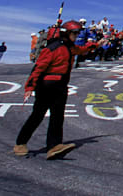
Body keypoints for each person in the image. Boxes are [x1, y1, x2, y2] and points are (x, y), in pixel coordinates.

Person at [14, 20, 104, 160]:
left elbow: (81, 50)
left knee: (58, 116)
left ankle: (54, 146)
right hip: (46, 86)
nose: (77, 35)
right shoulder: (53, 48)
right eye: (74, 33)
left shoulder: (70, 47)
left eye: (78, 32)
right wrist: (30, 87)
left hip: (61, 87)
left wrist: (96, 45)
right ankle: (21, 143)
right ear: (66, 33)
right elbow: (38, 68)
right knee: (37, 116)